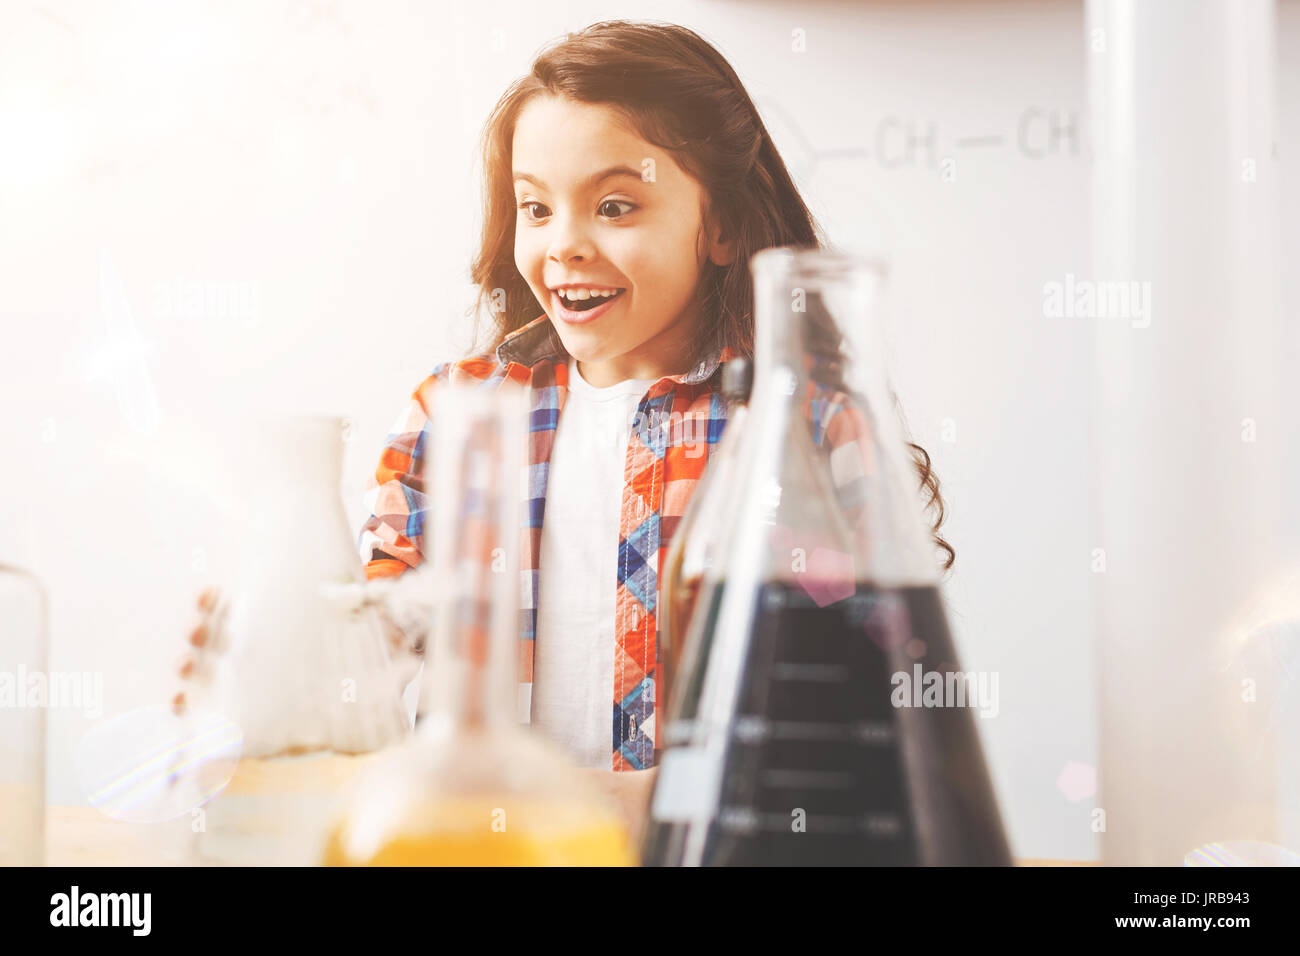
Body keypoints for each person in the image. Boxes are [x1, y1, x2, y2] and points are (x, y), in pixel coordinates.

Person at [173, 19, 953, 842]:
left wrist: (629, 805)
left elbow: (866, 699)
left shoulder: (797, 429)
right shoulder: (453, 418)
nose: (563, 245)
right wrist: (275, 663)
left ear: (720, 225)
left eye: (615, 206)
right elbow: (376, 674)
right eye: (536, 208)